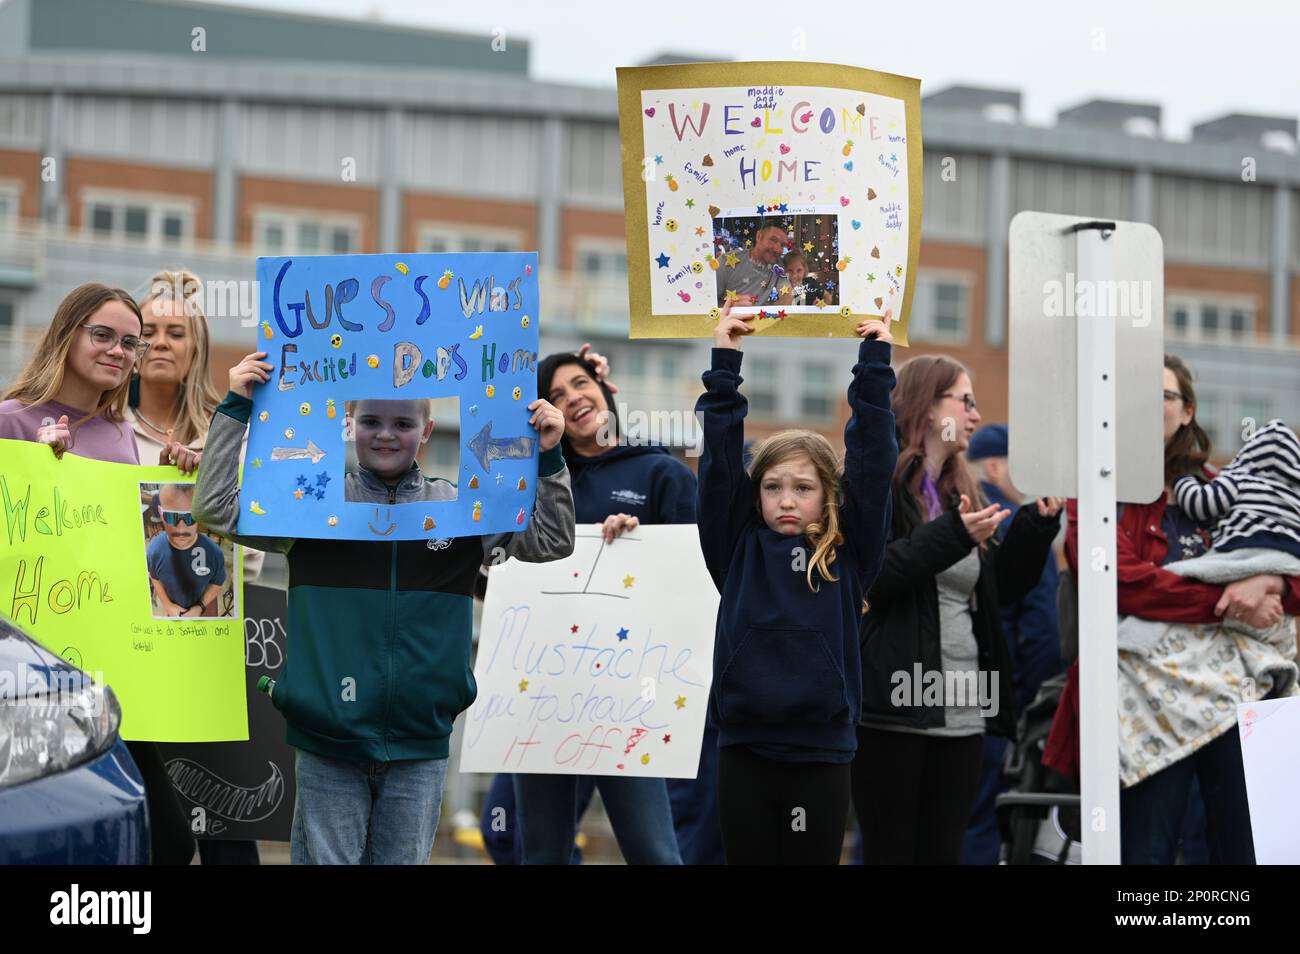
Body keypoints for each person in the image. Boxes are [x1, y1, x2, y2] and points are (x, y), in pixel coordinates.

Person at [193, 352, 575, 864]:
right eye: (371, 421)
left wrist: (549, 456)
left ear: (427, 429)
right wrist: (236, 405)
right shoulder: (313, 507)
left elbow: (552, 540)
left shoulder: (463, 512)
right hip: (328, 742)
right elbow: (214, 508)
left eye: (402, 423)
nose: (386, 434)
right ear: (349, 425)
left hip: (420, 744)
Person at [1044, 358, 1300, 865]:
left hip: (1240, 698)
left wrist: (1270, 582)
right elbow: (1115, 581)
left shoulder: (1226, 489)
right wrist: (1229, 602)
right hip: (1144, 705)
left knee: (1256, 854)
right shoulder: (1096, 491)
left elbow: (1285, 557)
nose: (1149, 405)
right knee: (1146, 856)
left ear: (1187, 412)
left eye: (1163, 395)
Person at [0, 282, 197, 865]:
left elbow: (122, 544)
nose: (119, 351)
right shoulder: (11, 421)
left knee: (166, 839)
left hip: (114, 662)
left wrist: (172, 478)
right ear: (67, 334)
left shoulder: (117, 433)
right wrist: (34, 465)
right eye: (103, 335)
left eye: (130, 343)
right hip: (35, 668)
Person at [697, 302, 898, 864]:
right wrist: (726, 362)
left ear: (827, 494)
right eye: (773, 487)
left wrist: (875, 364)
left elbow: (874, 463)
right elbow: (716, 464)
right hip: (744, 748)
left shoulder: (850, 553)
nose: (786, 500)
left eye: (803, 488)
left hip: (823, 754)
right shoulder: (735, 548)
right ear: (755, 493)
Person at [853, 356, 1064, 865]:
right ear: (927, 407)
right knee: (891, 854)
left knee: (946, 854)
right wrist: (953, 536)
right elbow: (871, 578)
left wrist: (1036, 528)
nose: (975, 414)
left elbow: (994, 594)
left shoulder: (961, 490)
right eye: (964, 401)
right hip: (892, 711)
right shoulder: (874, 482)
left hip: (965, 711)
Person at [501, 344, 701, 865]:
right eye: (555, 395)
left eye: (581, 384)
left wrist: (641, 544)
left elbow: (698, 578)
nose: (572, 399)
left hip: (629, 693)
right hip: (543, 691)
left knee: (653, 849)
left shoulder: (662, 472)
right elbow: (499, 574)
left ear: (606, 388)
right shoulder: (531, 485)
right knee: (533, 849)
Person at [132, 269, 263, 865]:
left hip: (210, 657)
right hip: (128, 659)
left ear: (197, 349)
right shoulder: (94, 431)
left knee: (230, 835)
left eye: (175, 333)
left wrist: (203, 480)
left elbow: (255, 553)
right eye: (147, 332)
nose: (160, 342)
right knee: (157, 832)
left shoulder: (230, 431)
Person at [960, 423, 1065, 864]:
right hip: (992, 700)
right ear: (997, 465)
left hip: (930, 692)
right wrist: (1028, 706)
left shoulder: (950, 520)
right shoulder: (1016, 524)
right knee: (981, 823)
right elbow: (1042, 627)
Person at [147, 483, 226, 617]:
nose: (181, 529)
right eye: (172, 517)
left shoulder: (214, 553)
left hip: (202, 608)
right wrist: (168, 605)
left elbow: (217, 583)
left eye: (190, 517)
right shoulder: (154, 550)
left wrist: (200, 606)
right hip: (172, 611)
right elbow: (155, 578)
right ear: (161, 514)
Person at [715, 222, 794, 307]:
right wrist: (729, 305)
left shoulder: (780, 268)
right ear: (759, 236)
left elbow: (785, 300)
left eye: (782, 245)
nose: (778, 249)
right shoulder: (726, 261)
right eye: (773, 240)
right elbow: (703, 302)